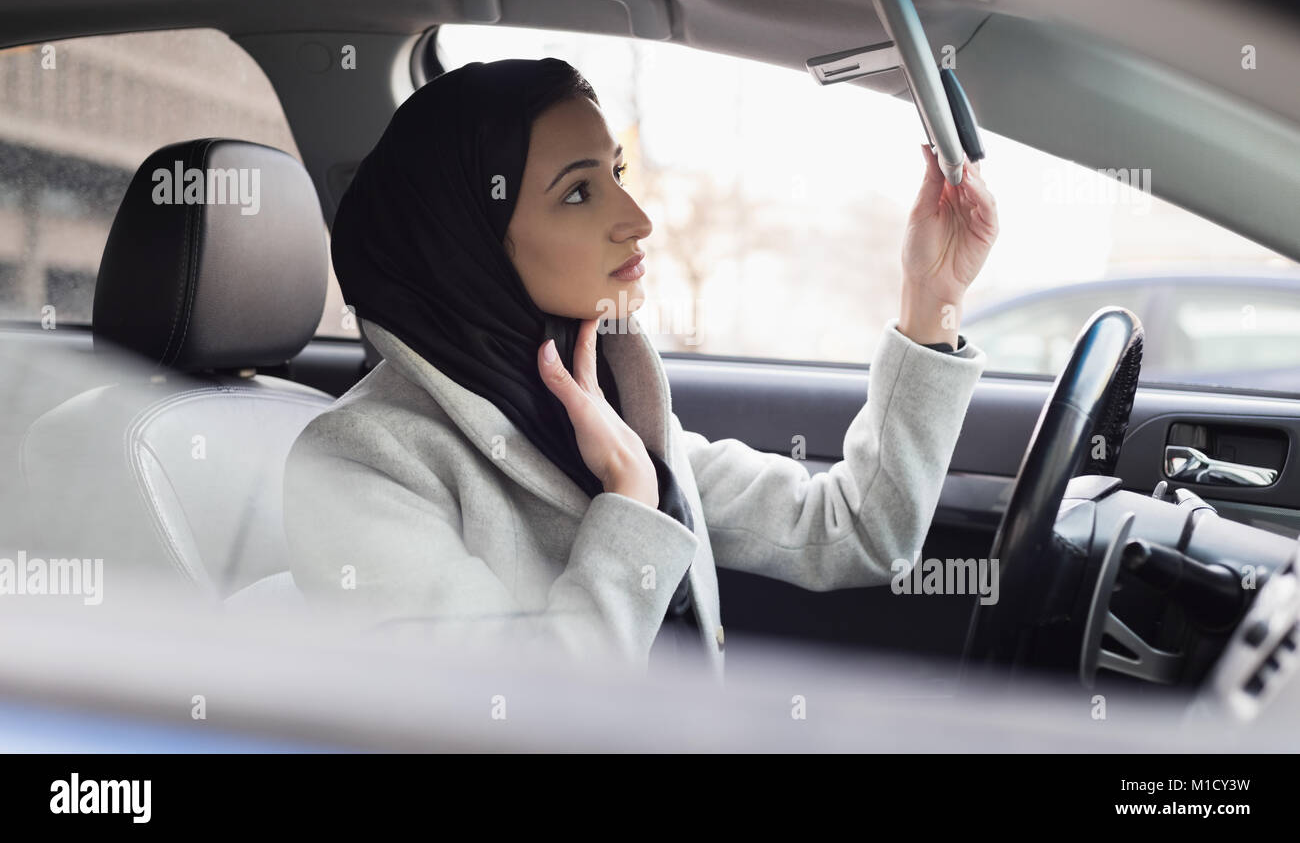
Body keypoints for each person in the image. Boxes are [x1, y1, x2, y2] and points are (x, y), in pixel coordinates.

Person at [283, 57, 999, 685]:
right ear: (465, 246)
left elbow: (855, 529)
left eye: (617, 173)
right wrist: (630, 496)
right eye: (577, 192)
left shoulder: (601, 401)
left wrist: (933, 297)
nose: (637, 219)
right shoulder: (363, 462)